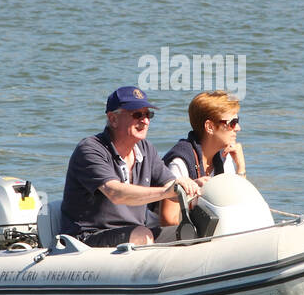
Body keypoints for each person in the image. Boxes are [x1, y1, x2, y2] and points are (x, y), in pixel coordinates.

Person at [60, 86, 201, 247]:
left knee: (196, 234)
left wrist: (192, 186)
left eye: (148, 114)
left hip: (136, 233)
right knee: (142, 234)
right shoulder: (90, 149)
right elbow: (115, 193)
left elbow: (170, 186)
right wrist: (166, 192)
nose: (145, 121)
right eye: (137, 114)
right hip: (87, 238)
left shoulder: (146, 149)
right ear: (113, 119)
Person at [159, 91, 245, 228]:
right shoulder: (180, 161)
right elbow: (169, 220)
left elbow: (237, 204)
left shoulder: (223, 157)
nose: (238, 128)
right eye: (232, 123)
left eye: (237, 121)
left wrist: (240, 167)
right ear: (210, 127)